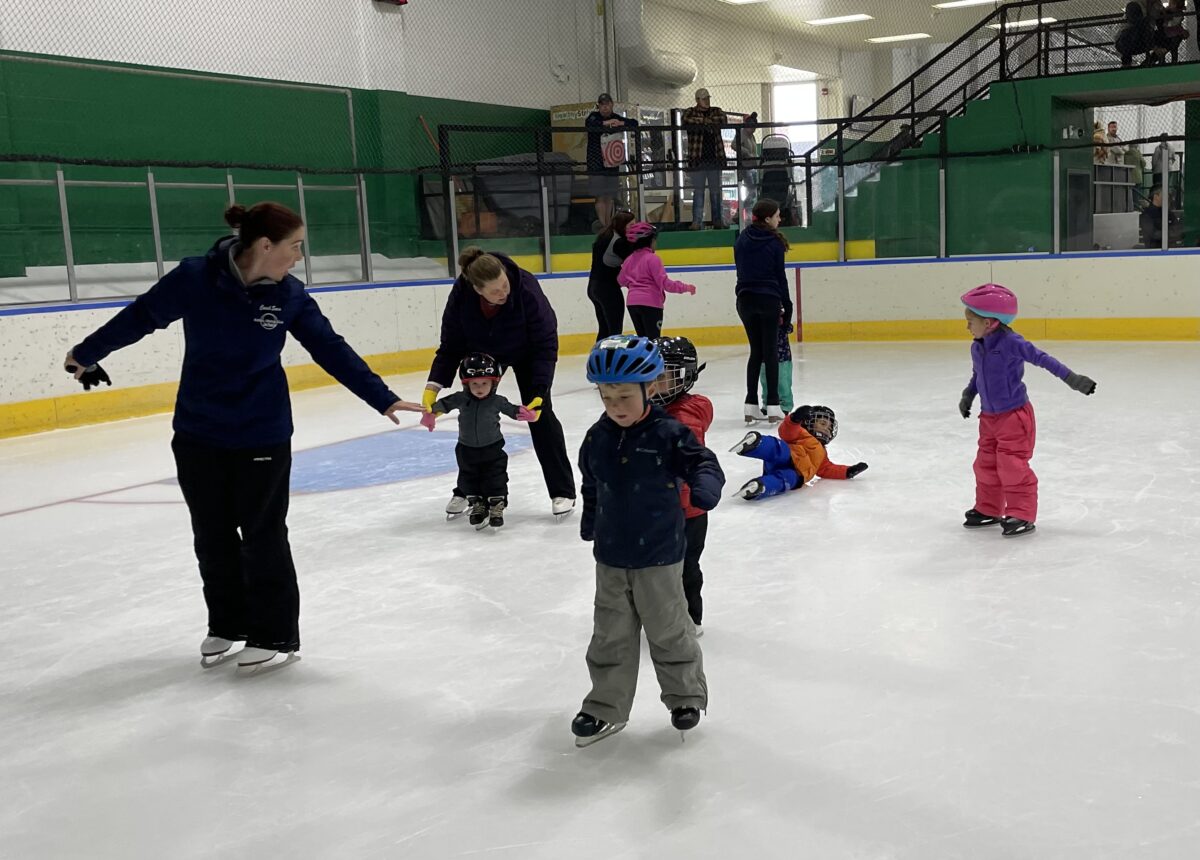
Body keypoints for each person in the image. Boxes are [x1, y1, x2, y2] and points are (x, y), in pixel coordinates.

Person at [62, 202, 425, 670]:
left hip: (261, 433)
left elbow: (330, 348)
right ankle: (227, 624)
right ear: (264, 245)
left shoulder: (289, 296)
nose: (299, 257)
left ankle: (275, 636)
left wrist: (383, 397)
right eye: (294, 247)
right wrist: (85, 354)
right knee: (211, 535)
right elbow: (141, 317)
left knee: (262, 534)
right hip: (198, 430)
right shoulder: (196, 278)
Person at [572, 336, 724, 747]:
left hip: (659, 552)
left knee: (669, 628)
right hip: (611, 555)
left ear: (650, 387)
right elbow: (592, 485)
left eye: (624, 396)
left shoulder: (668, 433)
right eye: (607, 397)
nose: (616, 406)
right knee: (609, 634)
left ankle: (685, 696)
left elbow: (701, 461)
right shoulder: (596, 437)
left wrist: (705, 485)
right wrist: (590, 521)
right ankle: (604, 707)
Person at [425, 247, 577, 521]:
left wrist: (540, 390)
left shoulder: (526, 289)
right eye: (494, 291)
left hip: (530, 352)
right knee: (473, 410)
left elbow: (545, 343)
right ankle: (467, 489)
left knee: (540, 416)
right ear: (477, 289)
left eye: (504, 284)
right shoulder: (461, 296)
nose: (503, 293)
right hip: (485, 353)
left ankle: (561, 490)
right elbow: (450, 345)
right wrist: (433, 387)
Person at [958, 284, 1097, 537]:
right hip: (988, 417)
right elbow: (978, 374)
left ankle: (1021, 513)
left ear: (989, 322)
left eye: (971, 321)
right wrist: (969, 394)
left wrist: (1073, 379)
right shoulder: (978, 345)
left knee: (1011, 465)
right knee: (985, 464)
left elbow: (1043, 359)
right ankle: (988, 509)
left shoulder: (1012, 342)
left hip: (1013, 417)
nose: (967, 326)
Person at [420, 352, 541, 530]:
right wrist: (431, 414)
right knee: (468, 478)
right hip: (466, 448)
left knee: (495, 477)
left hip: (492, 447)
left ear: (494, 383)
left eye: (484, 383)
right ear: (466, 384)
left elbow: (512, 410)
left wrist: (524, 414)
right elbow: (443, 405)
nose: (479, 387)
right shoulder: (461, 398)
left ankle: (496, 506)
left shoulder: (497, 401)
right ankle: (477, 504)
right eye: (474, 384)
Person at [652, 336, 713, 636]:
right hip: (661, 511)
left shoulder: (685, 418)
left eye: (663, 378)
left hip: (688, 513)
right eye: (650, 377)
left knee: (686, 567)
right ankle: (661, 614)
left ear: (685, 377)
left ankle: (691, 618)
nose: (654, 385)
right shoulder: (651, 412)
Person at [734, 198, 793, 424]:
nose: (780, 219)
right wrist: (787, 306)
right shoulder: (774, 242)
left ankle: (751, 405)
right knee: (770, 353)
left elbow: (741, 271)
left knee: (756, 352)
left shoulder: (741, 240)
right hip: (768, 300)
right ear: (767, 218)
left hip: (745, 300)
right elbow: (781, 277)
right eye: (777, 215)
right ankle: (774, 405)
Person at [729, 406, 868, 501]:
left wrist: (847, 471)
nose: (827, 429)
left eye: (830, 427)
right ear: (809, 422)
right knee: (779, 449)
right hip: (789, 455)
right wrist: (794, 419)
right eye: (823, 423)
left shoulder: (822, 454)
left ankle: (760, 487)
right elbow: (786, 431)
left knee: (784, 481)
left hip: (797, 476)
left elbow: (827, 469)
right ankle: (755, 444)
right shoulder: (801, 433)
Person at [617, 221, 697, 338]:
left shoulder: (628, 260)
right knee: (654, 341)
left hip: (632, 303)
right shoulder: (653, 259)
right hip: (651, 303)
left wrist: (634, 284)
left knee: (643, 341)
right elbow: (666, 284)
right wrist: (685, 287)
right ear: (650, 241)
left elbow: (620, 280)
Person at [585, 94, 639, 230]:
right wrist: (606, 123)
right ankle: (603, 224)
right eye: (602, 105)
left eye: (607, 104)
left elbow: (634, 123)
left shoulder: (617, 117)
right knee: (599, 195)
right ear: (599, 106)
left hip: (612, 162)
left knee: (609, 195)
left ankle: (608, 224)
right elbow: (590, 124)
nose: (605, 107)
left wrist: (621, 123)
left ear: (612, 105)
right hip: (596, 162)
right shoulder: (593, 117)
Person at [682, 88, 728, 230]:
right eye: (704, 99)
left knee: (715, 191)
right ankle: (697, 221)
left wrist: (701, 122)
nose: (707, 101)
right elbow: (686, 120)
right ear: (697, 100)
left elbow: (723, 119)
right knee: (699, 191)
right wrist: (707, 122)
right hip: (699, 159)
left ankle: (716, 220)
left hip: (714, 158)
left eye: (707, 98)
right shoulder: (690, 112)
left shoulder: (716, 110)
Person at [585, 210, 635, 341]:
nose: (633, 229)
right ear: (622, 225)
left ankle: (599, 357)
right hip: (607, 289)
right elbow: (634, 260)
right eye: (631, 225)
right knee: (614, 330)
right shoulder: (618, 242)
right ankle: (611, 359)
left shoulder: (604, 235)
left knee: (604, 330)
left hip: (593, 287)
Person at [759, 317, 795, 416]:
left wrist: (783, 322)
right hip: (765, 358)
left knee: (783, 382)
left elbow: (789, 329)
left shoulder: (781, 316)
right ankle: (767, 404)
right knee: (765, 381)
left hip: (782, 357)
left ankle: (785, 405)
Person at [735, 112, 759, 215]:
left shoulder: (752, 136)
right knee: (752, 192)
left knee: (753, 192)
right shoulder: (742, 133)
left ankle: (747, 213)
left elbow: (754, 151)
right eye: (753, 128)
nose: (754, 130)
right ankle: (740, 211)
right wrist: (746, 152)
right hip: (745, 166)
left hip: (753, 166)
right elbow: (734, 145)